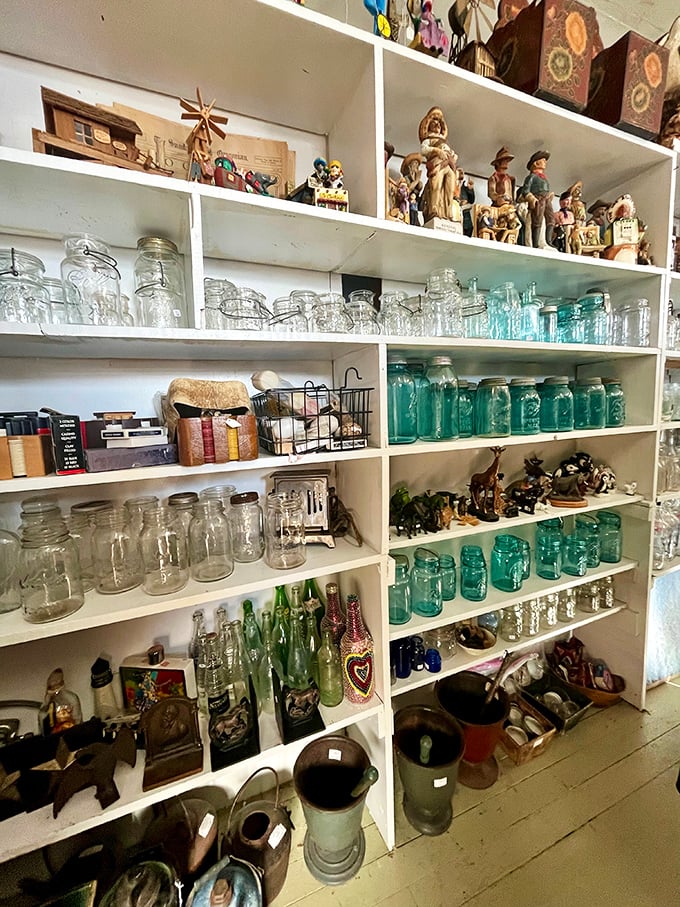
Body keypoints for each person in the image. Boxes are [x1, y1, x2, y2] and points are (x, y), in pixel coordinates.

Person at [419, 106, 458, 223]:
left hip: (449, 165)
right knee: (436, 186)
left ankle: (448, 211)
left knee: (449, 189)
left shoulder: (443, 141)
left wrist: (453, 156)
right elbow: (423, 150)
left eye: (439, 124)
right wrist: (436, 151)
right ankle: (434, 209)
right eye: (434, 123)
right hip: (437, 165)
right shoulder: (428, 139)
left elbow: (452, 154)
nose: (437, 126)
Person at [519, 150, 554, 248]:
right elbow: (525, 191)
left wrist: (549, 196)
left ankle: (549, 241)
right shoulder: (531, 177)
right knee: (537, 219)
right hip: (538, 198)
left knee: (550, 218)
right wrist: (532, 199)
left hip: (546, 199)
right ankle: (535, 243)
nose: (545, 162)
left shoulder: (543, 178)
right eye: (543, 160)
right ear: (536, 163)